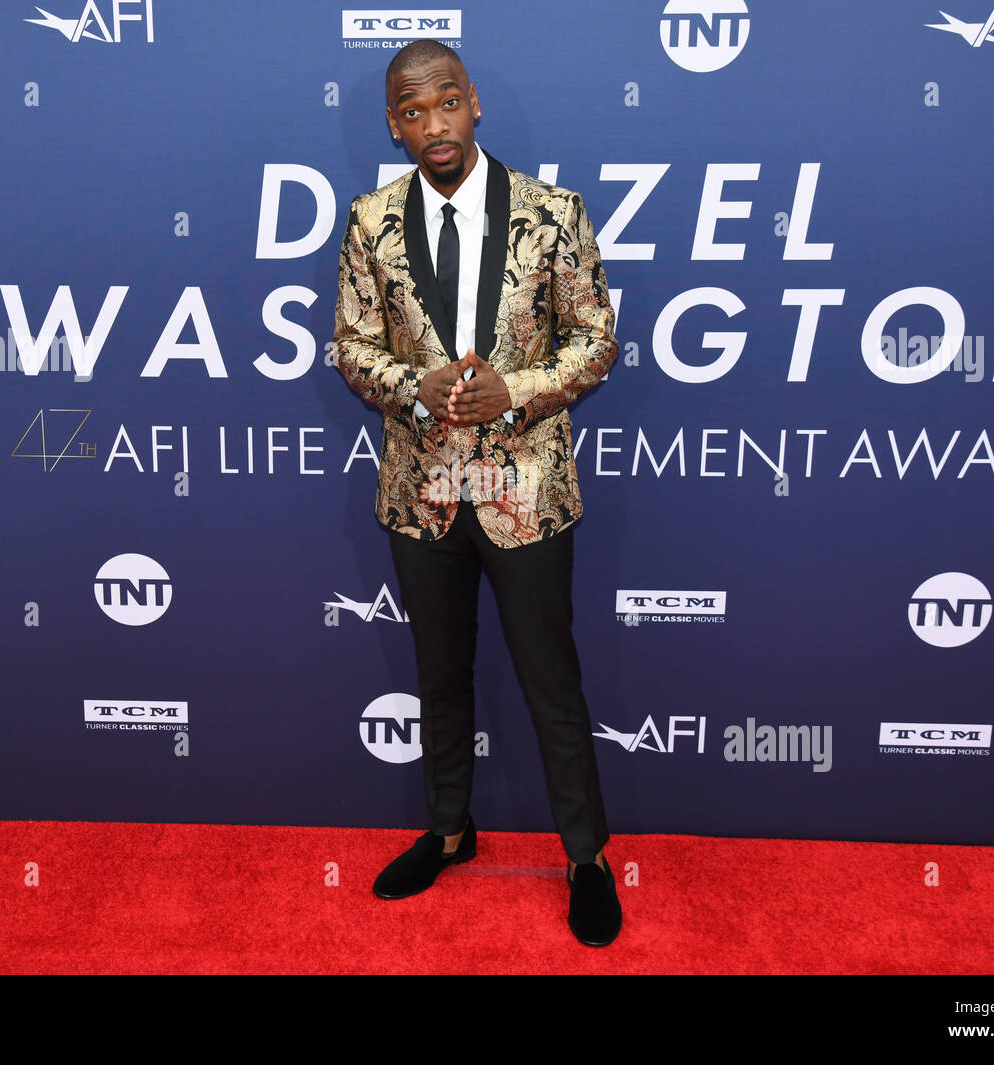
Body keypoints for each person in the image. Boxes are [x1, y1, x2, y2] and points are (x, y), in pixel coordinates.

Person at [333, 40, 621, 946]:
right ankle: (449, 829)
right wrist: (411, 385)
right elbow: (350, 346)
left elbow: (596, 338)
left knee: (551, 678)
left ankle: (585, 855)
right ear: (393, 125)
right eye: (411, 112)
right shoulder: (369, 220)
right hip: (422, 492)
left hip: (525, 489)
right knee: (438, 673)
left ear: (475, 104)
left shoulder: (552, 211)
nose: (432, 125)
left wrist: (521, 390)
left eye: (445, 102)